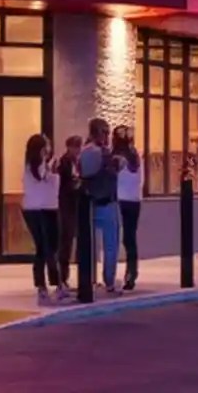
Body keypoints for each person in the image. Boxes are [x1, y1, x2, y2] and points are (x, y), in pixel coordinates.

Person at [22, 134, 68, 304]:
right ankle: (56, 285)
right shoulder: (40, 166)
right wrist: (52, 168)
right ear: (42, 149)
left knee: (42, 248)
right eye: (47, 146)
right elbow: (46, 179)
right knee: (51, 248)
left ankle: (43, 286)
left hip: (32, 209)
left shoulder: (29, 167)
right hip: (46, 209)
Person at [79, 117, 122, 295]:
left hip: (93, 203)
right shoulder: (100, 153)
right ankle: (108, 281)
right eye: (106, 132)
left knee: (92, 244)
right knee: (110, 245)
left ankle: (92, 279)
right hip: (104, 203)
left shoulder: (86, 151)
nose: (108, 136)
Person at [114, 125, 142, 291]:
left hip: (119, 199)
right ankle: (131, 273)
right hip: (134, 200)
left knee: (116, 238)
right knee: (130, 239)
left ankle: (116, 275)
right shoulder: (135, 155)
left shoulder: (117, 156)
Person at [56, 135, 83, 290]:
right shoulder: (64, 163)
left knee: (70, 242)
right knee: (65, 242)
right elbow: (64, 185)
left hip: (73, 206)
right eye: (75, 147)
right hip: (66, 206)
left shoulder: (75, 162)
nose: (77, 151)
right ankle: (62, 277)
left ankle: (67, 277)